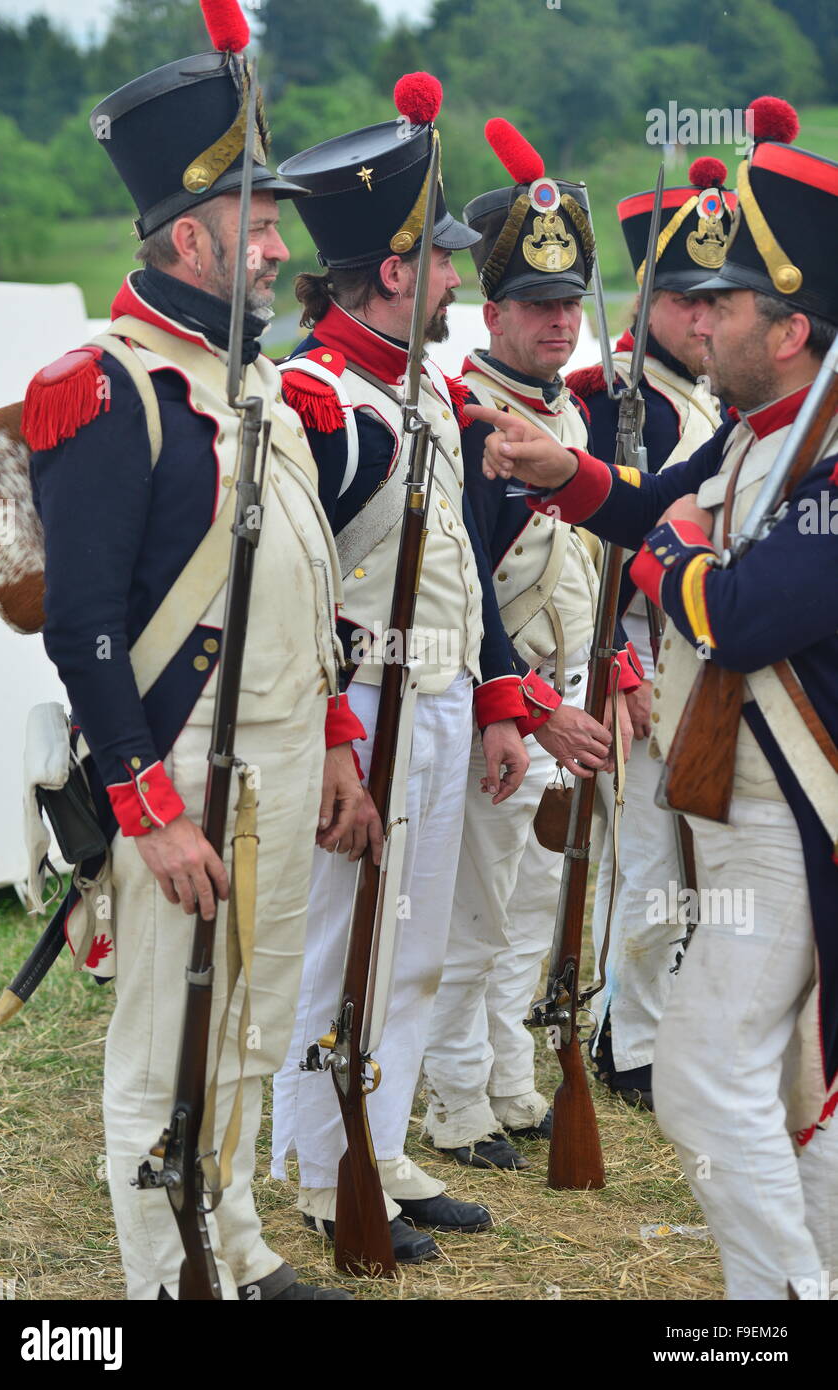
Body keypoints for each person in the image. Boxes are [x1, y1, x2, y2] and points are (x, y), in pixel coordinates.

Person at [470, 96, 838, 1299]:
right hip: (751, 800)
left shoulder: (822, 449)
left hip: (801, 804)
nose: (696, 318)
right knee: (781, 1080)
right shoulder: (758, 430)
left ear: (785, 329)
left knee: (710, 1076)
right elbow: (649, 504)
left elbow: (743, 612)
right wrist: (557, 469)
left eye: (722, 302)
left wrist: (674, 565)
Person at [23, 9, 364, 1301]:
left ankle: (233, 1242)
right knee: (165, 1042)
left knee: (248, 1028)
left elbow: (301, 592)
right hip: (177, 766)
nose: (280, 248)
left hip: (281, 757)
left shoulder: (256, 390)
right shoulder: (107, 389)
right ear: (188, 235)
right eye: (259, 225)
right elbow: (84, 622)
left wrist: (331, 740)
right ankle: (165, 1279)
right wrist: (145, 809)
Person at [269, 75, 545, 1264]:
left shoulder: (428, 386)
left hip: (435, 700)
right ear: (391, 270)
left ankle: (383, 1144)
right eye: (438, 259)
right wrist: (333, 730)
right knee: (343, 941)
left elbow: (468, 567)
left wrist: (492, 695)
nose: (454, 278)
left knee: (417, 938)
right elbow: (288, 592)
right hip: (360, 703)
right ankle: (325, 1170)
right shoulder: (317, 401)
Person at [420, 118, 637, 1170]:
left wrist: (614, 671)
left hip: (566, 696)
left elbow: (594, 565)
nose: (561, 326)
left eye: (569, 306)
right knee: (473, 906)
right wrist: (522, 698)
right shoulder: (469, 416)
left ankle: (508, 1078)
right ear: (492, 310)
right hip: (493, 697)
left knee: (535, 900)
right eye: (540, 308)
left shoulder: (571, 423)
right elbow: (466, 585)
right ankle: (455, 1098)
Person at [564, 158, 736, 1107]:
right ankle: (627, 1045)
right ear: (647, 298)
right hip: (633, 667)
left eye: (715, 300)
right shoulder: (606, 397)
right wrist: (623, 668)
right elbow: (589, 544)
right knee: (642, 867)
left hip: (699, 661)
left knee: (691, 868)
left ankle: (666, 1029)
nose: (702, 321)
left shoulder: (711, 399)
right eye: (684, 301)